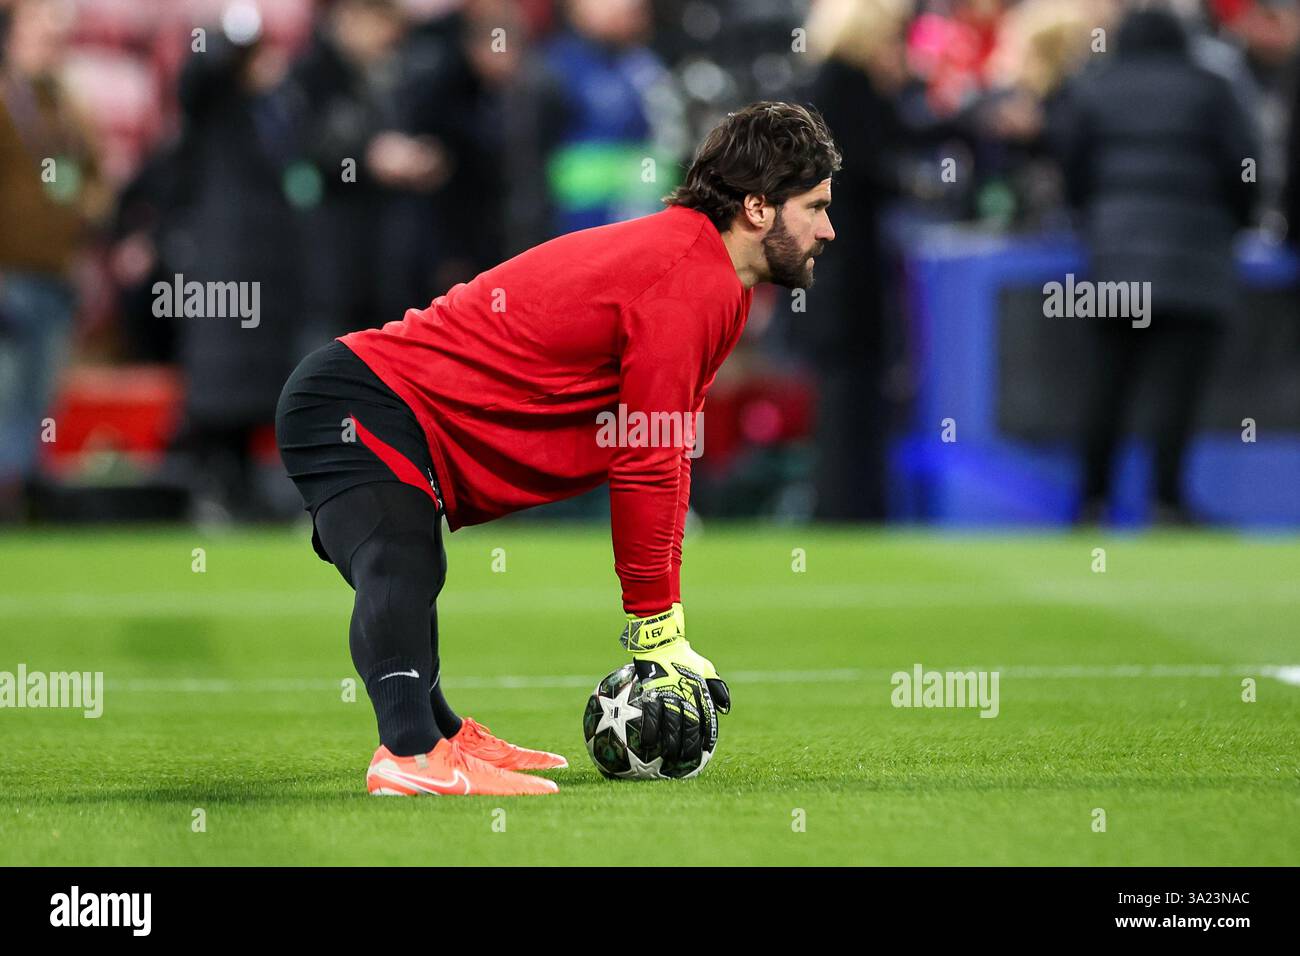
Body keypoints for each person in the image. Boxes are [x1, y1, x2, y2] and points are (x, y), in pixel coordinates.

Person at [275, 102, 840, 795]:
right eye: (814, 207)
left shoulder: (705, 272)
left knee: (410, 554)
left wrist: (667, 624)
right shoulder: (690, 277)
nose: (827, 228)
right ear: (757, 207)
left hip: (377, 400)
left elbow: (666, 453)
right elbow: (645, 458)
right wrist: (653, 629)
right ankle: (411, 753)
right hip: (358, 399)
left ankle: (440, 732)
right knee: (400, 552)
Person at [1055, 7, 1259, 524]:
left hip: (1114, 259)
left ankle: (1091, 501)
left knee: (1106, 384)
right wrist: (1231, 227)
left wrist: (1096, 224)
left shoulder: (1095, 84)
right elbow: (1245, 168)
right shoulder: (1212, 86)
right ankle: (1166, 501)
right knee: (1177, 388)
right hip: (1194, 259)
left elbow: (1070, 167)